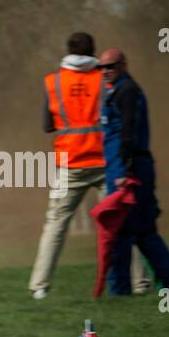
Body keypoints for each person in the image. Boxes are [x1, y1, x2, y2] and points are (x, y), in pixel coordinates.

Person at [98, 48, 169, 296]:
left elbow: (129, 132)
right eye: (101, 68)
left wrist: (125, 170)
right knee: (144, 232)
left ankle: (121, 290)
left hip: (129, 170)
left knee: (123, 232)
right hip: (128, 167)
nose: (105, 71)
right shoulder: (114, 90)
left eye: (110, 66)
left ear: (123, 64)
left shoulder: (127, 92)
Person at [27, 32, 104, 300]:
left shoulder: (53, 82)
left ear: (67, 50)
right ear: (94, 50)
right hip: (105, 161)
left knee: (55, 224)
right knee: (121, 222)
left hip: (68, 164)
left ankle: (40, 286)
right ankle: (141, 282)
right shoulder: (104, 79)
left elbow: (47, 126)